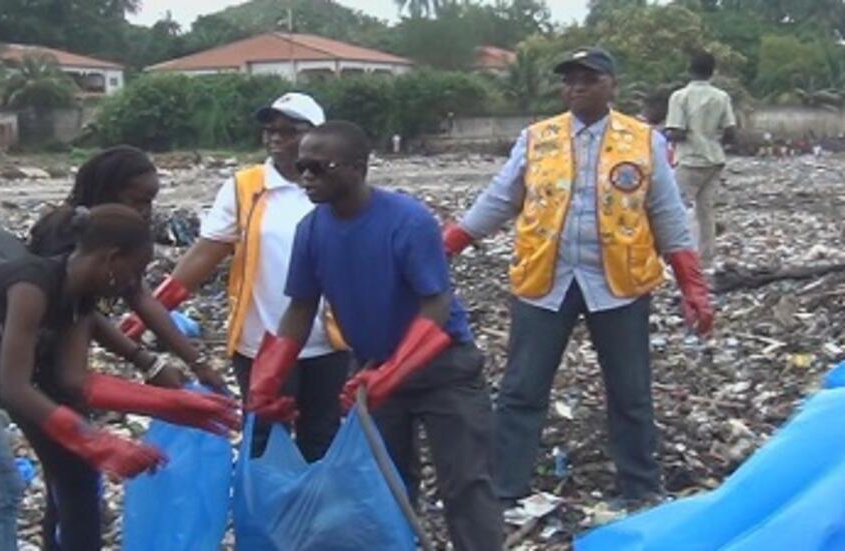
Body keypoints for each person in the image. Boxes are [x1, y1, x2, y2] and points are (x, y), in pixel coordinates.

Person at [0, 205, 239, 551]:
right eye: (134, 271)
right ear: (111, 259)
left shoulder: (78, 297)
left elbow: (72, 379)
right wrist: (94, 440)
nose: (133, 284)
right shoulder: (33, 286)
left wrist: (176, 404)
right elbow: (15, 388)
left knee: (4, 489)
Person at [443, 47, 713, 504]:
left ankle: (639, 488)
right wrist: (449, 244)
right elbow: (499, 199)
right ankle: (506, 487)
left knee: (630, 393)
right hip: (546, 281)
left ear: (612, 85)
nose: (577, 86)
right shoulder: (537, 138)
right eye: (570, 79)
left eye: (589, 78)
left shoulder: (643, 141)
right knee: (522, 389)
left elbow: (667, 214)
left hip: (619, 284)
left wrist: (693, 286)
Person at [246, 120, 503, 550]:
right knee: (387, 488)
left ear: (356, 168)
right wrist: (268, 377)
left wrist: (395, 371)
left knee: (465, 484)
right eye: (300, 166)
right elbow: (301, 306)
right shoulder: (312, 229)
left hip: (443, 370)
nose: (305, 176)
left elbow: (436, 303)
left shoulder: (408, 220)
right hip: (373, 372)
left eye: (316, 167)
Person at [0, 146, 233, 551]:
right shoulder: (66, 232)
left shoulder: (119, 234)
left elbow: (139, 297)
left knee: (73, 481)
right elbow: (87, 315)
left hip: (63, 368)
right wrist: (148, 364)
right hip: (32, 369)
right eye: (137, 200)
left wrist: (195, 361)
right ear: (106, 189)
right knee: (75, 479)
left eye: (151, 202)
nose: (144, 210)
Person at [120, 93, 352, 462]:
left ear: (316, 136)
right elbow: (205, 254)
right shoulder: (246, 188)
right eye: (270, 130)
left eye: (289, 130)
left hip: (329, 340)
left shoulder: (334, 186)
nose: (276, 138)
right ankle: (266, 514)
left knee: (322, 437)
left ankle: (314, 515)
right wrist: (153, 308)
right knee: (264, 438)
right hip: (261, 341)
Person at [665, 50, 737, 267]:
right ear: (712, 72)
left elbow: (676, 131)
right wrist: (713, 139)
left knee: (674, 208)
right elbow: (731, 131)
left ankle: (673, 255)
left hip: (690, 159)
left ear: (689, 70)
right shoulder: (722, 97)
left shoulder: (680, 97)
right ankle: (706, 259)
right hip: (714, 159)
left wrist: (664, 134)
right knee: (706, 211)